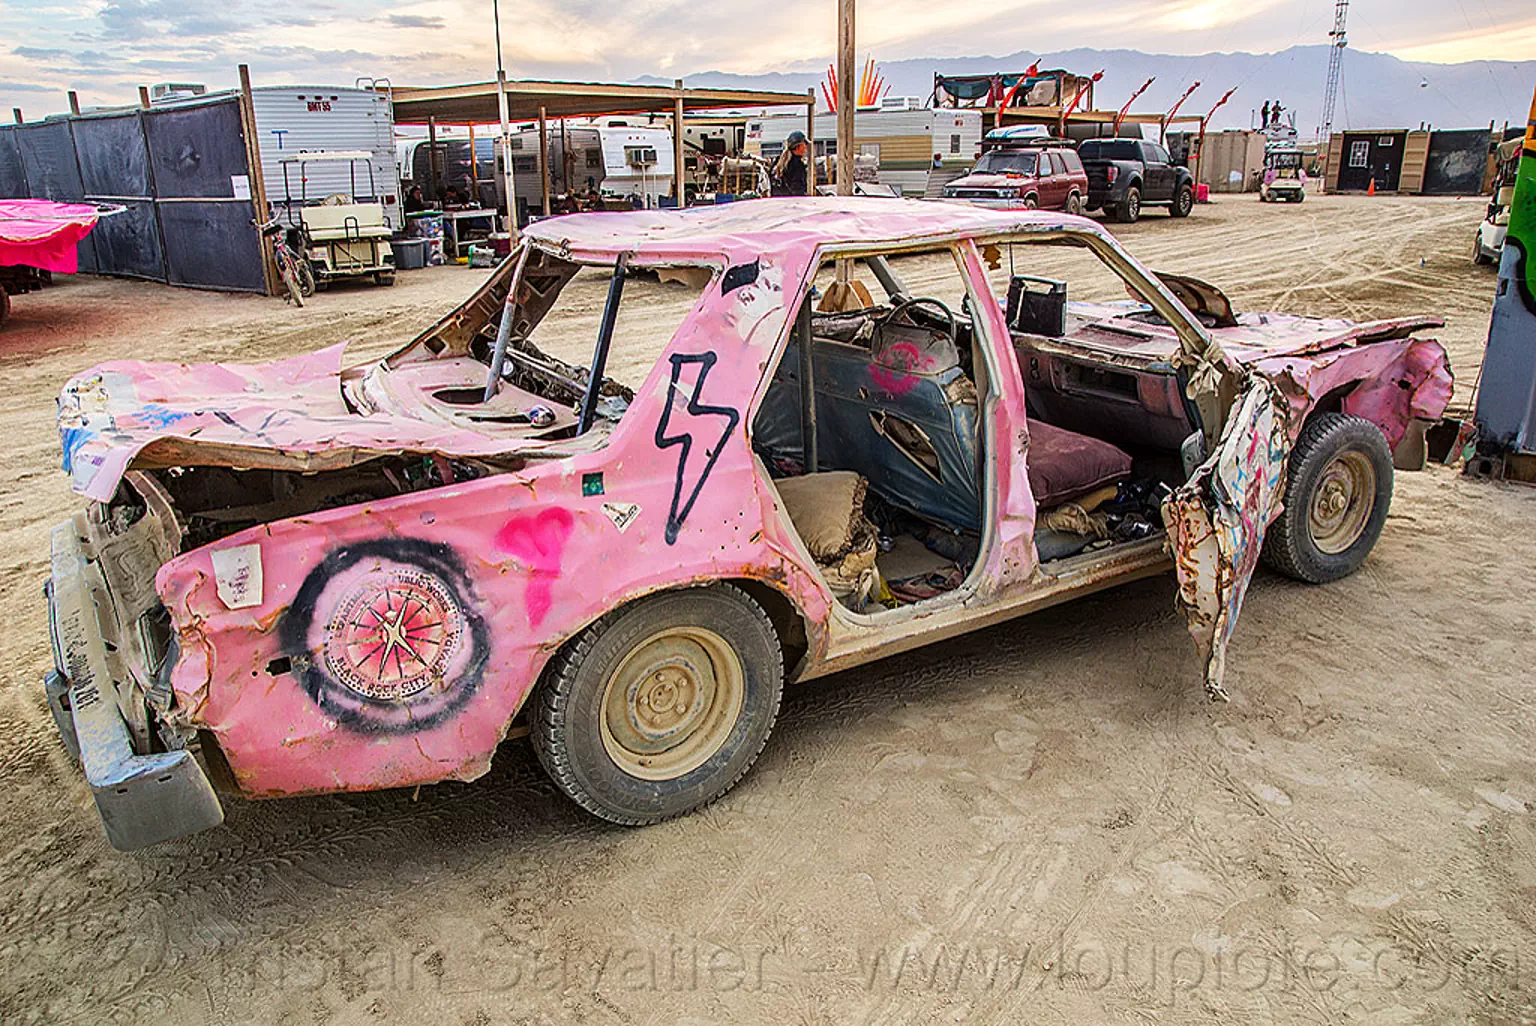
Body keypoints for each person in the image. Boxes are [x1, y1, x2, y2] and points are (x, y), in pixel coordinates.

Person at [772, 130, 809, 197]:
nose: (805, 147)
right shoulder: (798, 165)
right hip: (791, 202)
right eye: (804, 144)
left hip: (776, 202)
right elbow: (798, 189)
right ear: (798, 146)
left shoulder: (778, 161)